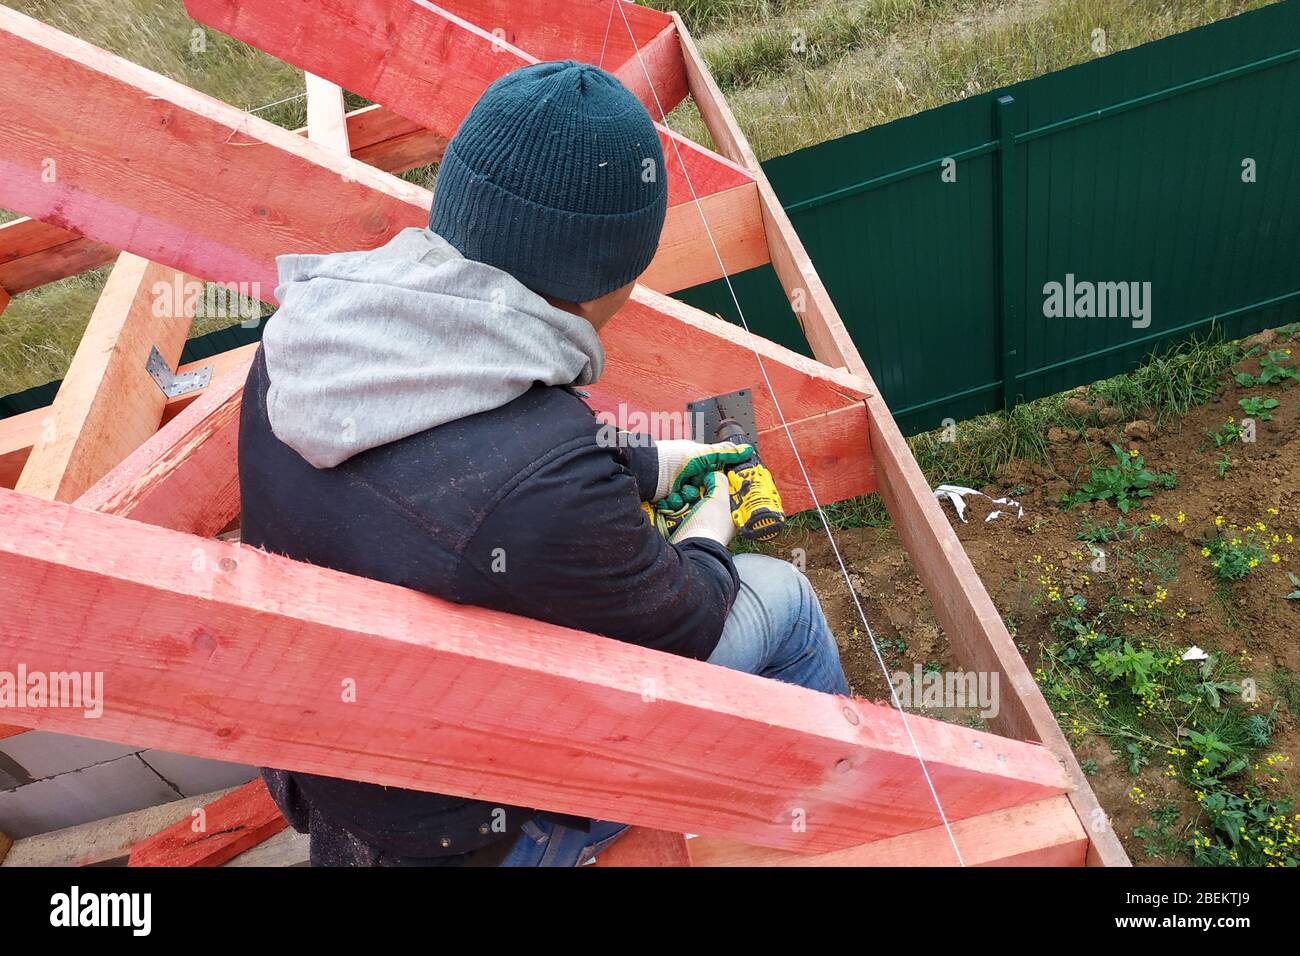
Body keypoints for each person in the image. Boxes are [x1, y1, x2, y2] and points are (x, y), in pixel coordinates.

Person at [237, 60, 849, 867]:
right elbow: (686, 621)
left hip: (342, 760)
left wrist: (643, 464)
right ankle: (835, 821)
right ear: (612, 277)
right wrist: (707, 523)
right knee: (787, 600)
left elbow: (460, 454)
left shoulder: (300, 341)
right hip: (464, 829)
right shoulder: (544, 490)